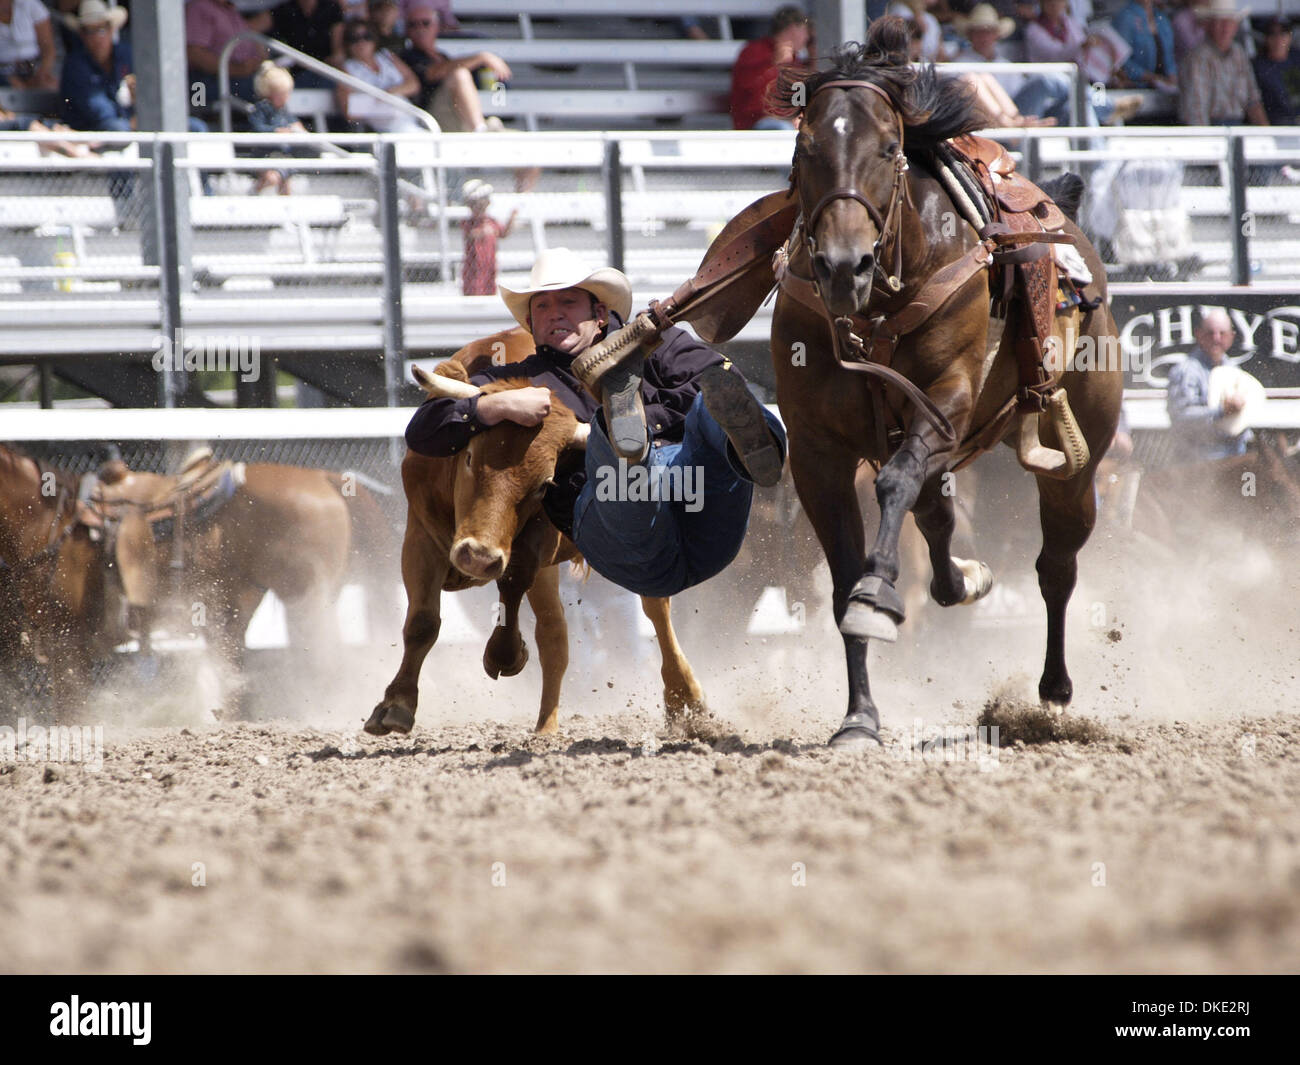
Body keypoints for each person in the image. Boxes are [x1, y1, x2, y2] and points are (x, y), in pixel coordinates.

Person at [405, 248, 789, 598]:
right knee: (617, 453)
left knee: (717, 395)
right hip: (622, 525)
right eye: (542, 307)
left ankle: (761, 444)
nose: (555, 312)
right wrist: (495, 406)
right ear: (530, 323)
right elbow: (424, 431)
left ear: (600, 314)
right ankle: (619, 425)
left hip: (698, 498)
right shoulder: (518, 383)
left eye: (569, 302)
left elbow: (716, 379)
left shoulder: (657, 342)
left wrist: (640, 425)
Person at [400, 2, 510, 132]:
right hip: (429, 122)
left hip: (455, 118)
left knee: (497, 124)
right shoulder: (407, 56)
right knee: (460, 74)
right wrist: (482, 57)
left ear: (438, 26)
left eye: (425, 23)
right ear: (406, 30)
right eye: (413, 24)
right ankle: (480, 130)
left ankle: (482, 128)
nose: (420, 29)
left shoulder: (442, 56)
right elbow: (434, 72)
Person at [1166, 309, 1253, 461]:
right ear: (1198, 334)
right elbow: (1180, 417)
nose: (1216, 338)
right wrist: (1222, 411)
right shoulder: (1187, 371)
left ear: (1232, 337)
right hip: (1197, 463)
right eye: (1210, 333)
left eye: (1222, 333)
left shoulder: (1234, 370)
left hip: (1234, 457)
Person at [1178, 0, 1268, 125]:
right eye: (1219, 22)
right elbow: (1196, 113)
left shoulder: (1239, 54)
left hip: (1237, 127)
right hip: (1211, 130)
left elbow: (1253, 102)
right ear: (1208, 26)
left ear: (1235, 26)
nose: (1225, 27)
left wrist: (1267, 136)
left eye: (1229, 22)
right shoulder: (1197, 59)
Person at [729, 4, 811, 131]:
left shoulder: (796, 61)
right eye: (804, 30)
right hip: (756, 123)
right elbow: (755, 101)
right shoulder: (753, 51)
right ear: (792, 29)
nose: (806, 37)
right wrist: (776, 66)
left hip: (785, 121)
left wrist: (798, 116)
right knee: (782, 129)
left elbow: (798, 96)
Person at [58, 1, 133, 132]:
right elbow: (101, 113)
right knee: (118, 128)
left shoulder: (126, 55)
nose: (97, 38)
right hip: (87, 135)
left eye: (101, 30)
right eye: (90, 31)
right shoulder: (75, 65)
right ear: (82, 35)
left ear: (111, 30)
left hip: (120, 127)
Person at [338, 16, 422, 132]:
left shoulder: (386, 56)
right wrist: (378, 100)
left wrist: (389, 93)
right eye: (354, 38)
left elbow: (414, 84)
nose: (361, 42)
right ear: (347, 43)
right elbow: (348, 110)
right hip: (382, 126)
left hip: (408, 117)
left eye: (367, 36)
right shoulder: (347, 68)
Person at [187, 0, 270, 105]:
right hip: (207, 81)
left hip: (238, 77)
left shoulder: (231, 9)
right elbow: (194, 53)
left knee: (280, 83)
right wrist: (237, 69)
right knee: (268, 88)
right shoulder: (199, 7)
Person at [247, 61, 313, 194]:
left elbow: (293, 123)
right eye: (281, 94)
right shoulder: (261, 109)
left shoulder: (283, 110)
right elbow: (257, 128)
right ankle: (253, 194)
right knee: (272, 179)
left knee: (286, 183)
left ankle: (286, 211)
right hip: (265, 154)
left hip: (282, 154)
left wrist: (298, 129)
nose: (285, 98)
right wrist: (277, 131)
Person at [269, 0, 346, 88]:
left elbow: (338, 52)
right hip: (295, 72)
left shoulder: (331, 8)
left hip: (325, 71)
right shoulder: (285, 9)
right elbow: (258, 24)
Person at [459, 178, 516, 296]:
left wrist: (512, 218)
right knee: (474, 291)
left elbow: (503, 233)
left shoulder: (491, 221)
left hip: (489, 266)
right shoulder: (469, 223)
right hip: (474, 268)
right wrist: (483, 231)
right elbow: (470, 234)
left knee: (489, 290)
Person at [1111, 0, 1178, 92]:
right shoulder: (1125, 18)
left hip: (1163, 88)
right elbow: (1121, 60)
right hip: (1136, 88)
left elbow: (1169, 57)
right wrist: (1149, 77)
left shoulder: (1162, 19)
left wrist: (1172, 76)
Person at [0, 0, 56, 90]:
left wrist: (43, 72)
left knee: (51, 87)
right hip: (3, 72)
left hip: (34, 68)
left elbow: (48, 47)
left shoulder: (31, 4)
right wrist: (7, 79)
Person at [1253, 18, 1298, 126]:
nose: (1278, 39)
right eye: (1273, 34)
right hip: (1274, 124)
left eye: (1283, 34)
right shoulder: (1258, 66)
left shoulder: (1296, 59)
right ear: (1266, 38)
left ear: (1290, 37)